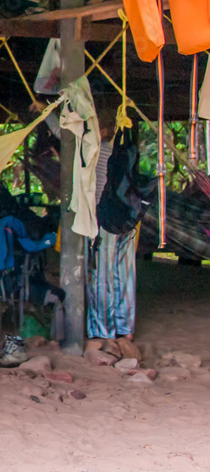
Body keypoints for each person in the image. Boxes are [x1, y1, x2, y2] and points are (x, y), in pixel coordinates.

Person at [87, 118, 137, 342]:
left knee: (102, 276)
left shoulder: (96, 152)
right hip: (127, 220)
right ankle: (126, 330)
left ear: (104, 129)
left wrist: (45, 112)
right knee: (125, 275)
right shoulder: (126, 154)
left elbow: (62, 132)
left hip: (105, 220)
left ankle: (103, 330)